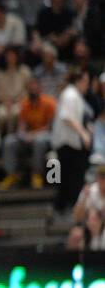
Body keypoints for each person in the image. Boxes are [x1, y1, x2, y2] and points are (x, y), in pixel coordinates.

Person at [53, 68, 93, 215]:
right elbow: (67, 117)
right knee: (69, 180)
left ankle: (62, 209)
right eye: (86, 82)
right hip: (67, 145)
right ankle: (63, 210)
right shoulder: (70, 95)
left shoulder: (75, 95)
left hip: (72, 145)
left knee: (70, 179)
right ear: (79, 81)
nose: (87, 86)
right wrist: (83, 133)